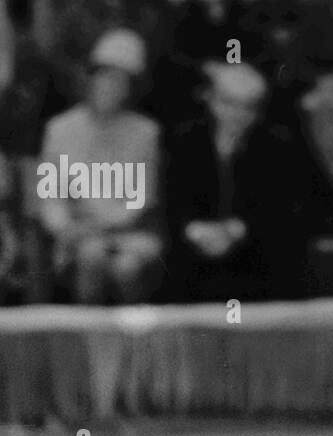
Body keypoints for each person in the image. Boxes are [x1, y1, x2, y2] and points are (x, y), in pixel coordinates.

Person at [37, 29, 165, 304]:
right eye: (105, 76)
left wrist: (104, 225)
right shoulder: (59, 129)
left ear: (131, 89)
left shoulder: (145, 133)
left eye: (121, 81)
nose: (110, 86)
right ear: (90, 78)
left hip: (129, 234)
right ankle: (88, 342)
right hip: (76, 237)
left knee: (125, 268)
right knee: (91, 255)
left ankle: (134, 344)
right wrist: (66, 228)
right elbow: (50, 200)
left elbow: (141, 199)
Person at [165, 61, 309, 301]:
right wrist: (195, 230)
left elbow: (284, 207)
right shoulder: (185, 140)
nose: (237, 114)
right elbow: (173, 200)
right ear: (211, 99)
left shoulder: (276, 145)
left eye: (248, 107)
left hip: (253, 249)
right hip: (196, 247)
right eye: (229, 103)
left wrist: (237, 230)